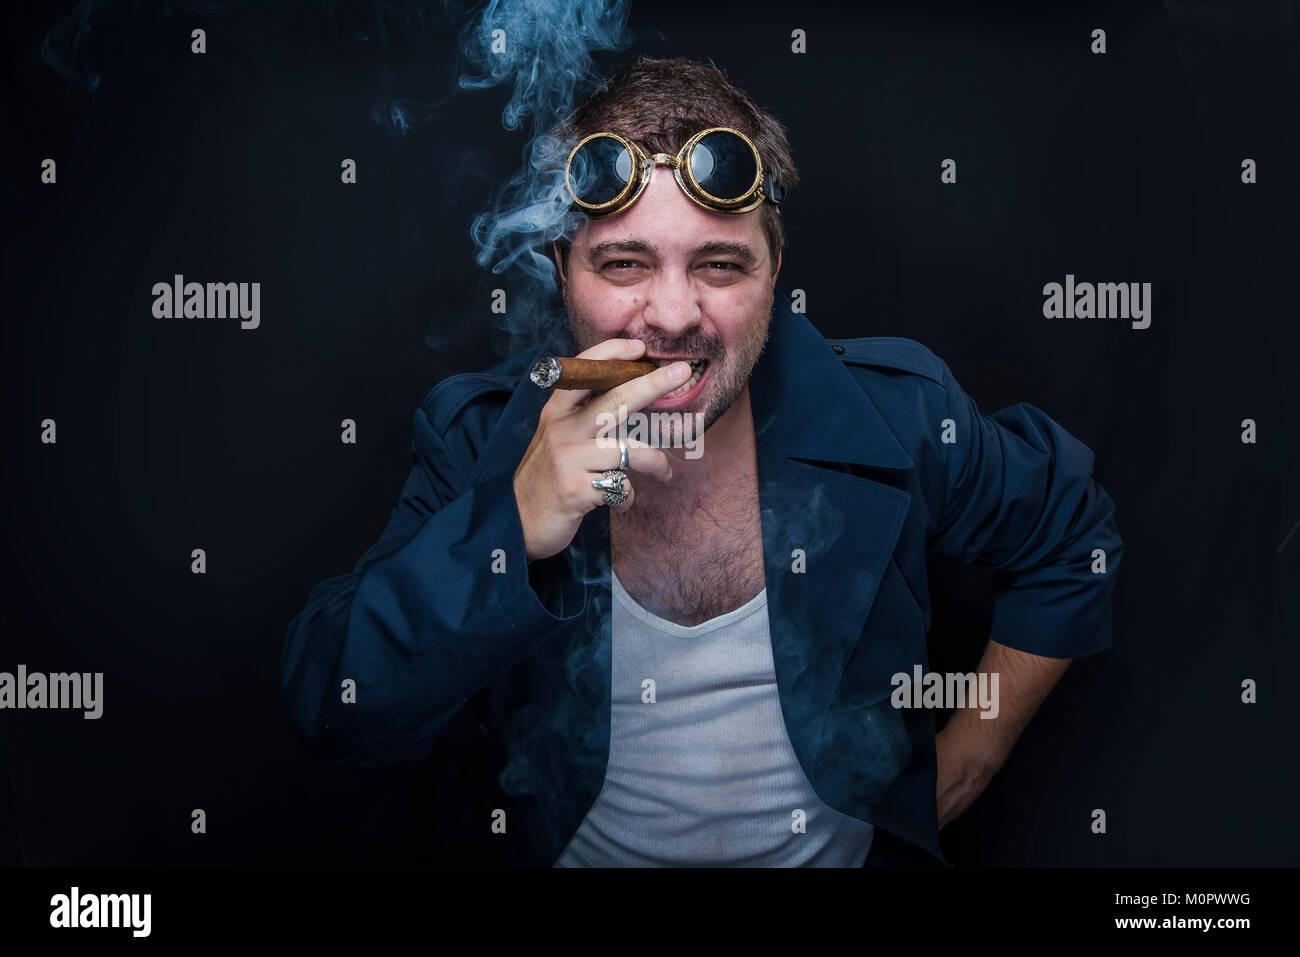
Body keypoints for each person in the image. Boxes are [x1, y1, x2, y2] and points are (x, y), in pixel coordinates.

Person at [280, 56, 1123, 867]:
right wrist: (511, 525)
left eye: (719, 264)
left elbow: (1070, 541)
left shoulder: (899, 413)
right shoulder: (479, 438)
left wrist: (957, 769)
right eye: (625, 263)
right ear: (561, 273)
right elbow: (335, 709)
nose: (675, 314)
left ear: (775, 271)